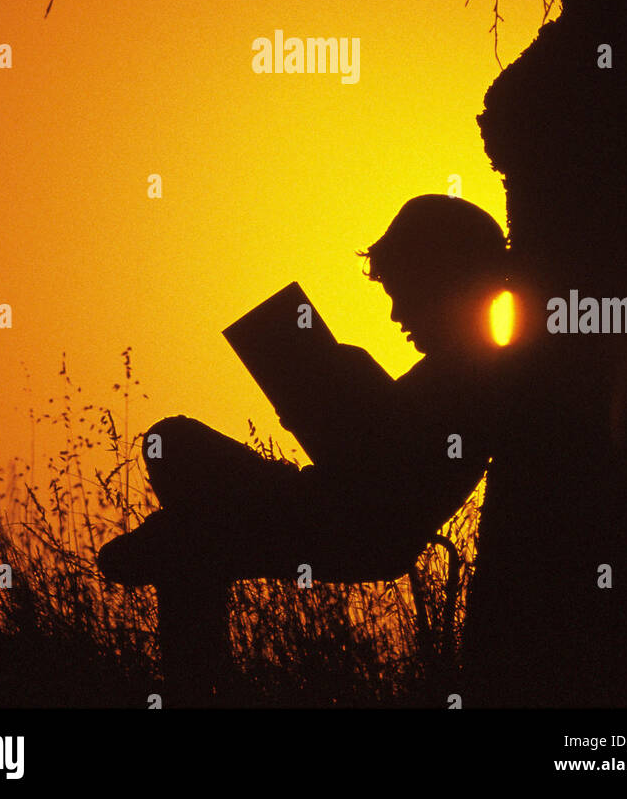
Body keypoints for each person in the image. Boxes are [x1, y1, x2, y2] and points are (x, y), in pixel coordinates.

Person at [97, 195, 509, 704]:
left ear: (448, 284)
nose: (398, 314)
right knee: (176, 456)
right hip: (330, 507)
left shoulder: (480, 373)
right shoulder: (467, 369)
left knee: (186, 524)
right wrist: (322, 403)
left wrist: (338, 389)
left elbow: (393, 476)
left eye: (409, 294)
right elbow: (369, 452)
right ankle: (181, 545)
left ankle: (181, 572)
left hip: (354, 527)